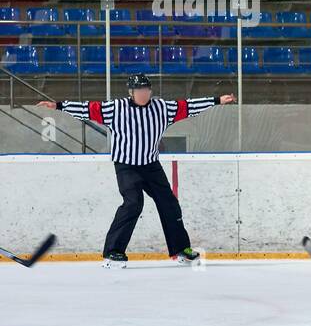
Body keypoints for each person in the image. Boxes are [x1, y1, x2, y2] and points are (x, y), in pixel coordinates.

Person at [37, 74, 235, 268]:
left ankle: (181, 249)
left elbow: (188, 106)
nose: (143, 94)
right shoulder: (115, 108)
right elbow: (89, 109)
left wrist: (217, 100)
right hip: (126, 165)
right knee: (133, 203)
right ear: (131, 92)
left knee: (170, 204)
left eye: (146, 90)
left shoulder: (162, 108)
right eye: (139, 90)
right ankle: (113, 252)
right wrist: (59, 105)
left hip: (151, 166)